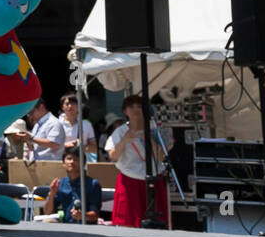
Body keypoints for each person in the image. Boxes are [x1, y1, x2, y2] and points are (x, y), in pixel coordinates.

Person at [105, 94, 169, 227]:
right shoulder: (120, 131)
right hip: (129, 180)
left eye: (139, 106)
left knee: (156, 221)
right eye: (131, 106)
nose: (135, 109)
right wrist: (125, 140)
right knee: (128, 222)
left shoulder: (156, 128)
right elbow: (113, 156)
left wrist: (150, 140)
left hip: (153, 178)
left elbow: (163, 157)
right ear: (124, 111)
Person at [40, 147, 102, 222]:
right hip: (66, 227)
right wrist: (52, 194)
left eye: (76, 159)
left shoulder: (92, 184)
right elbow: (47, 212)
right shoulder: (60, 184)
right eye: (69, 159)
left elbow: (95, 215)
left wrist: (82, 216)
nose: (72, 162)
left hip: (86, 228)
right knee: (47, 221)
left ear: (83, 163)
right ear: (63, 163)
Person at [21, 97, 65, 162]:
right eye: (28, 114)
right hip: (38, 164)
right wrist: (27, 140)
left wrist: (31, 138)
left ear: (41, 107)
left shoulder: (54, 123)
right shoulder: (37, 125)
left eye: (31, 112)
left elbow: (54, 144)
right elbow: (33, 148)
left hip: (50, 165)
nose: (30, 116)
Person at [59, 92, 97, 160]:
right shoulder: (57, 124)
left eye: (73, 103)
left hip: (81, 165)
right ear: (62, 107)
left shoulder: (87, 125)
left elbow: (94, 149)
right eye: (67, 104)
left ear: (78, 106)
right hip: (60, 162)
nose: (70, 106)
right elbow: (50, 146)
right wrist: (65, 145)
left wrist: (82, 147)